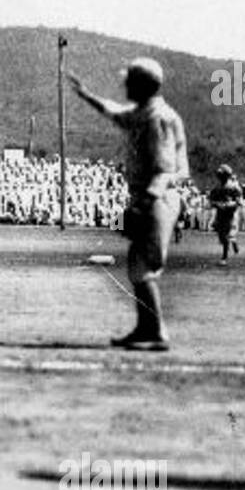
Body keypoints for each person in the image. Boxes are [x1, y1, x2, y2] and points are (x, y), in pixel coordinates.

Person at [68, 58, 189, 351]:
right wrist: (87, 95)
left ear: (142, 85)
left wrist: (140, 206)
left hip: (157, 196)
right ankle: (144, 328)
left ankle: (156, 332)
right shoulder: (145, 113)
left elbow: (164, 171)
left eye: (130, 82)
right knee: (137, 263)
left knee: (143, 266)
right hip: (150, 197)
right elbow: (115, 113)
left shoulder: (157, 118)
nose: (125, 87)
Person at [209, 164, 242, 264]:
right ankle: (233, 243)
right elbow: (211, 201)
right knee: (221, 235)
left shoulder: (234, 187)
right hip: (220, 213)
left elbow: (238, 201)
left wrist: (229, 205)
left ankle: (224, 257)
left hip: (231, 213)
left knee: (227, 234)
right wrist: (218, 204)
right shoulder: (217, 188)